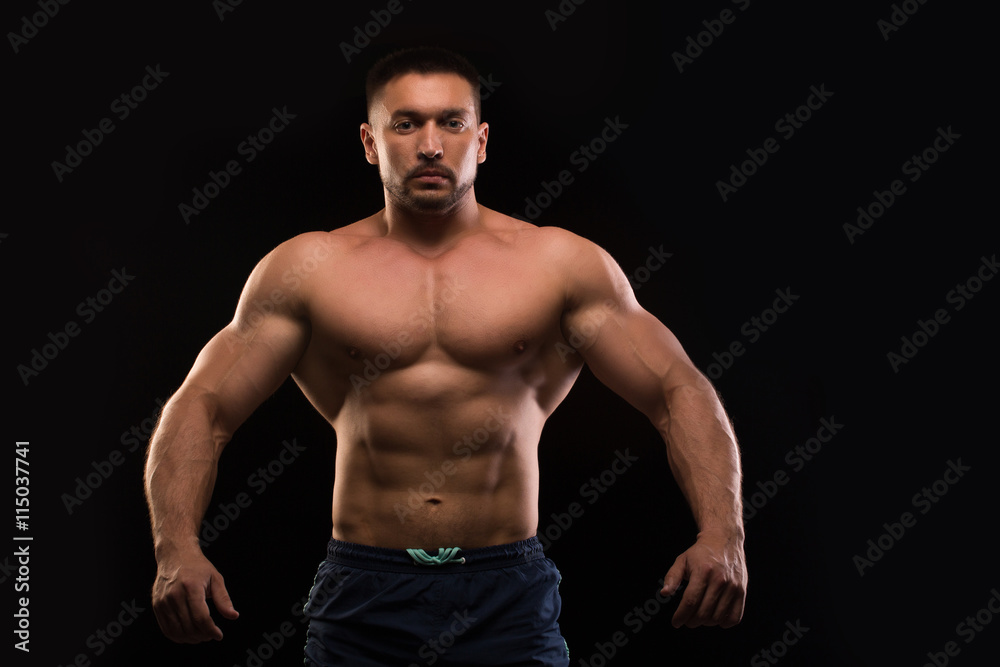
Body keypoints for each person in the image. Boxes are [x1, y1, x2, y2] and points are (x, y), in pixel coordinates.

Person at [143, 46, 747, 665]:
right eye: (406, 124)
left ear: (480, 141)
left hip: (507, 592)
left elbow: (677, 388)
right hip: (364, 592)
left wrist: (723, 534)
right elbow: (204, 404)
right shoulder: (308, 269)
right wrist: (176, 549)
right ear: (371, 142)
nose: (430, 146)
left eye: (452, 123)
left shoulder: (560, 265)